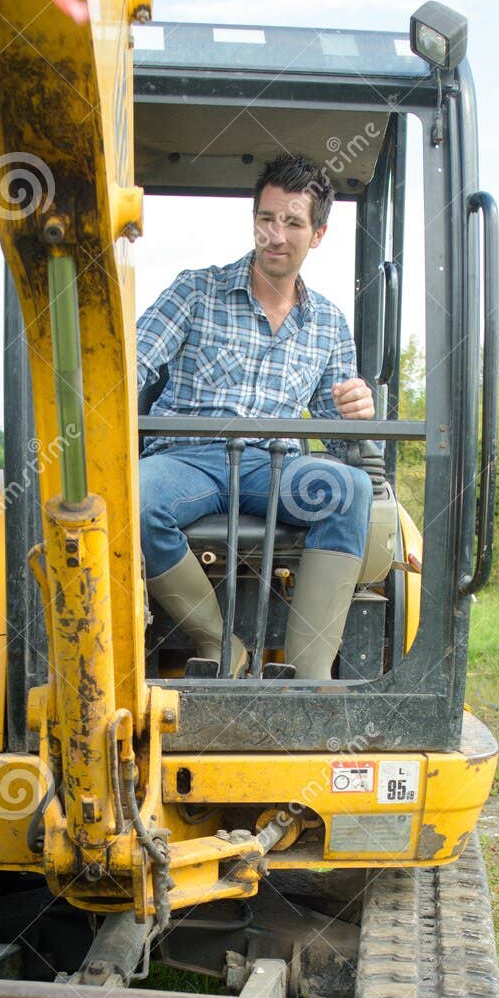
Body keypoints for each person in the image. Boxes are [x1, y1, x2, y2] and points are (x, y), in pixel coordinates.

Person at [137, 152, 375, 679]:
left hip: (272, 466)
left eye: (292, 222)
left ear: (317, 234)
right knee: (133, 497)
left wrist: (356, 414)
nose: (275, 234)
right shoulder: (194, 290)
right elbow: (129, 363)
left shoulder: (329, 324)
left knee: (350, 490)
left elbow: (341, 442)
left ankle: (305, 683)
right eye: (266, 219)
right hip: (186, 458)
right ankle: (221, 644)